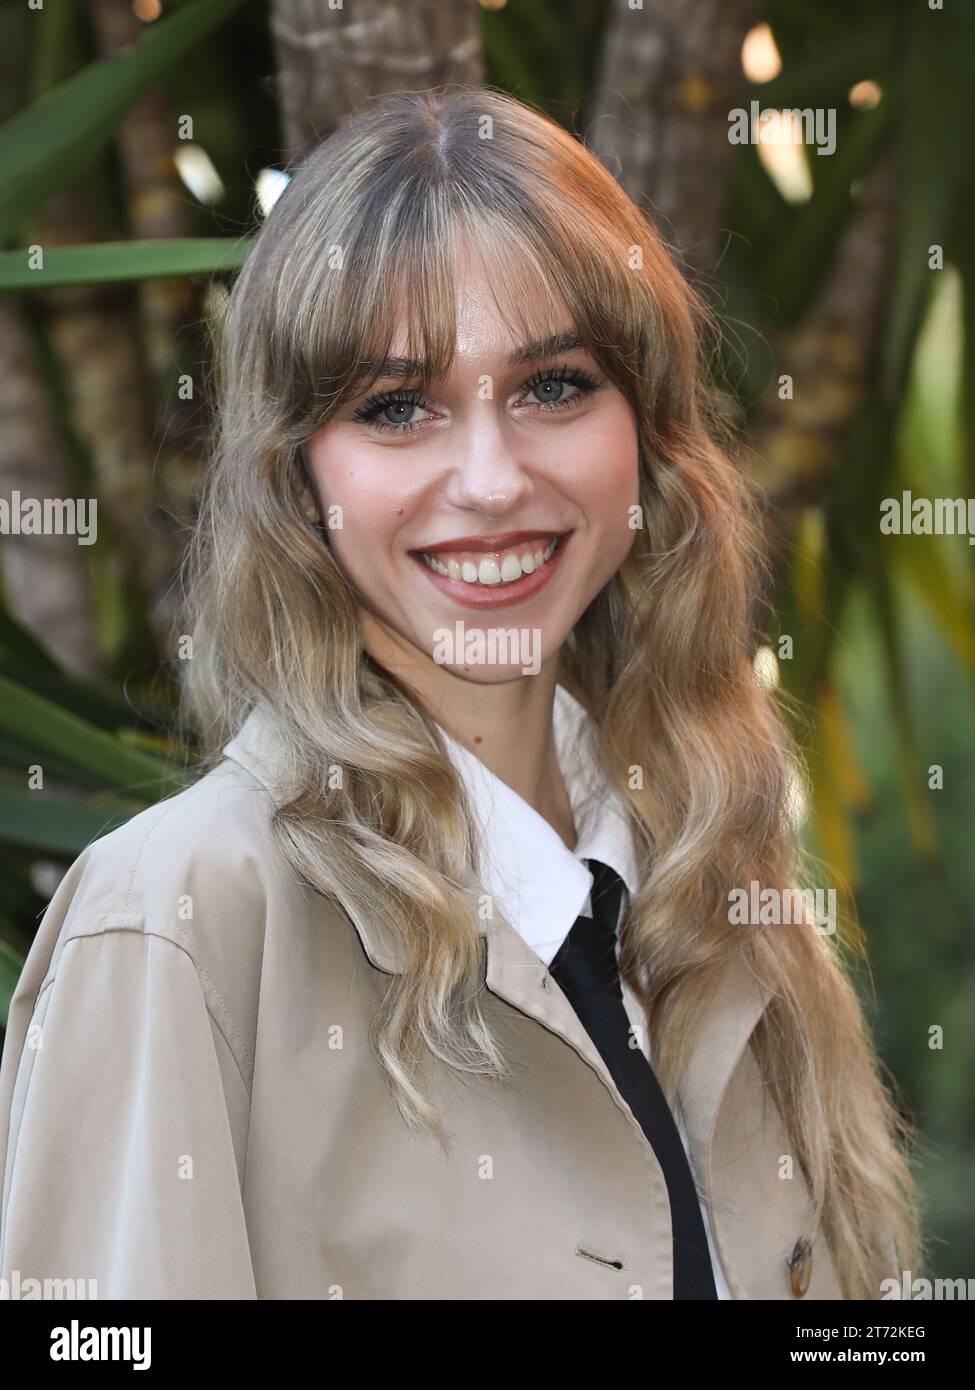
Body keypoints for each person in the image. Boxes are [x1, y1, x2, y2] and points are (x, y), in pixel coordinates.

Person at [0, 85, 920, 1300]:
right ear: (297, 475)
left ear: (646, 433)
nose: (490, 480)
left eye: (553, 386)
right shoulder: (180, 918)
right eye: (396, 407)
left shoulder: (715, 878)